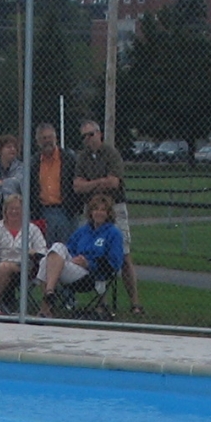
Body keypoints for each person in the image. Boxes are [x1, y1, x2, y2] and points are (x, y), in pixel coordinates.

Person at [72, 120, 141, 315]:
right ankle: (100, 302)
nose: (88, 139)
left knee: (124, 255)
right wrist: (99, 183)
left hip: (115, 207)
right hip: (92, 209)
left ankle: (135, 303)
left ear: (99, 134)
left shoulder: (111, 154)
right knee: (95, 253)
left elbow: (113, 183)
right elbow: (77, 186)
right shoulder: (82, 158)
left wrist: (90, 184)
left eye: (91, 134)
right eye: (84, 136)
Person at [38, 191, 125, 315]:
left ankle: (46, 306)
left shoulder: (113, 233)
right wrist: (75, 259)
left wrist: (88, 264)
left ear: (108, 213)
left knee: (46, 262)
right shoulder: (83, 230)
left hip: (90, 274)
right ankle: (50, 292)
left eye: (102, 210)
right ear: (90, 212)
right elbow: (69, 248)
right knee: (57, 247)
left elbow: (114, 263)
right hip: (72, 266)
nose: (98, 213)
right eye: (95, 209)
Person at [0, 191, 45, 315]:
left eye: (17, 209)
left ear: (23, 211)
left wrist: (33, 252)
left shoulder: (32, 229)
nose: (14, 212)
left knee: (4, 267)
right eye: (11, 209)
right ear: (5, 211)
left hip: (21, 266)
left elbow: (43, 250)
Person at [29, 122, 76, 245]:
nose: (47, 141)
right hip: (43, 211)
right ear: (38, 141)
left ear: (56, 138)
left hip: (66, 211)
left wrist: (75, 208)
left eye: (50, 137)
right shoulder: (33, 163)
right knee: (46, 249)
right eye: (44, 138)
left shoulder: (69, 159)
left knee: (67, 249)